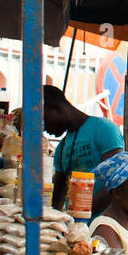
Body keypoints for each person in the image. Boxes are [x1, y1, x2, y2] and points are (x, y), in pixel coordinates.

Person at [44, 85, 123, 216]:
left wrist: (82, 215)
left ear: (57, 108)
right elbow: (58, 190)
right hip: (76, 227)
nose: (44, 128)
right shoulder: (61, 147)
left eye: (44, 119)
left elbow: (115, 180)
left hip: (104, 226)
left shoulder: (104, 129)